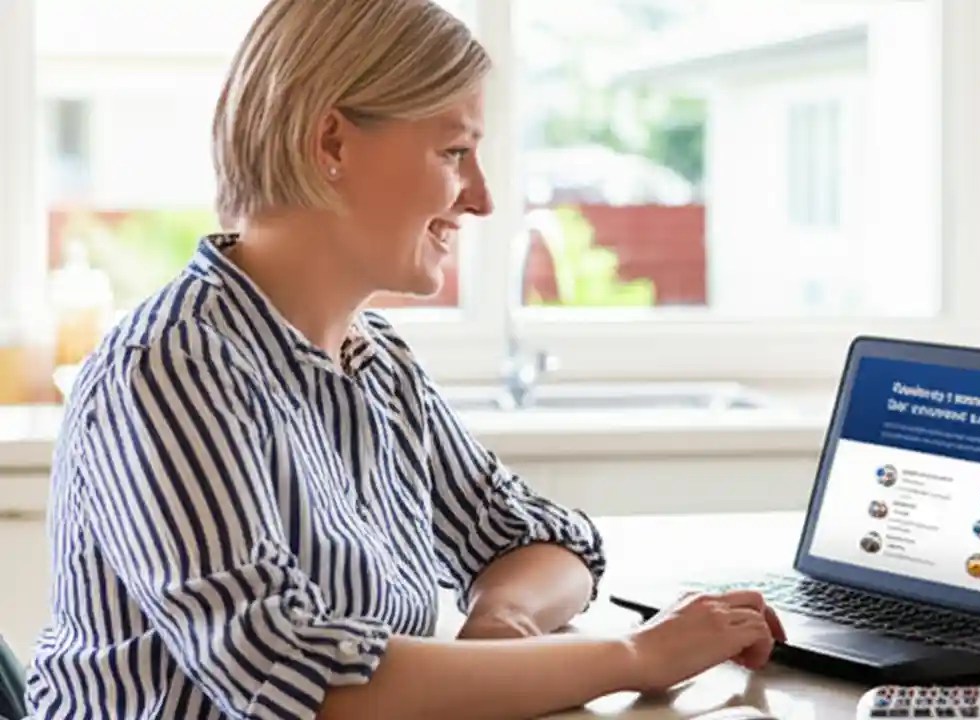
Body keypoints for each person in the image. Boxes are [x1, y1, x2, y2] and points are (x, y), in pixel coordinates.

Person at [24, 2, 784, 718]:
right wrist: (633, 656)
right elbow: (307, 688)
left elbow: (546, 542)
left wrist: (506, 616)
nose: (480, 198)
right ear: (331, 145)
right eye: (455, 151)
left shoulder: (375, 360)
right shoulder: (167, 369)